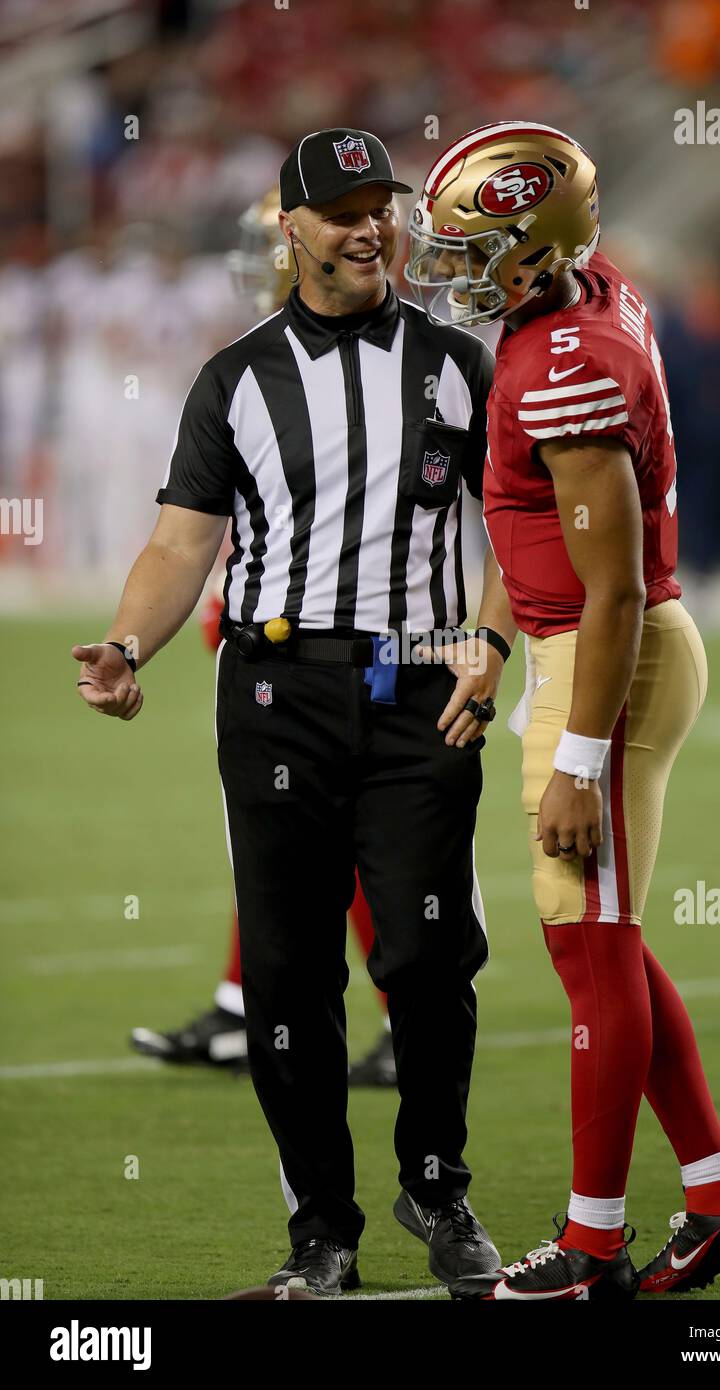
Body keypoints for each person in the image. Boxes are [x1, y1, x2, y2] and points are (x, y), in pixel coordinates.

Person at [73, 128, 515, 1298]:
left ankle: (436, 1180)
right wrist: (128, 641)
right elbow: (182, 539)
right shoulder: (235, 376)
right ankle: (321, 1229)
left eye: (382, 205)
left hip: (425, 686)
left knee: (426, 955)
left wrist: (494, 632)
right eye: (342, 209)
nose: (369, 226)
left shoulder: (457, 360)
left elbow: (518, 521)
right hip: (276, 695)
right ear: (292, 227)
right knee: (285, 973)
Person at [407, 120, 720, 1300]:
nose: (451, 267)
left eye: (473, 245)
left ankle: (591, 1246)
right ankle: (715, 1201)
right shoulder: (575, 295)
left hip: (607, 663)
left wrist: (573, 751)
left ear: (533, 246)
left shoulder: (565, 358)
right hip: (581, 647)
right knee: (605, 940)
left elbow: (609, 582)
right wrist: (491, 636)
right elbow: (544, 546)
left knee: (587, 948)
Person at [130, 185, 397, 1087]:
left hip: (375, 650)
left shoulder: (408, 363)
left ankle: (403, 1018)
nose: (259, 264)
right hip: (280, 645)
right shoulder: (253, 367)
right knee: (281, 838)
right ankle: (246, 1009)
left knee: (346, 840)